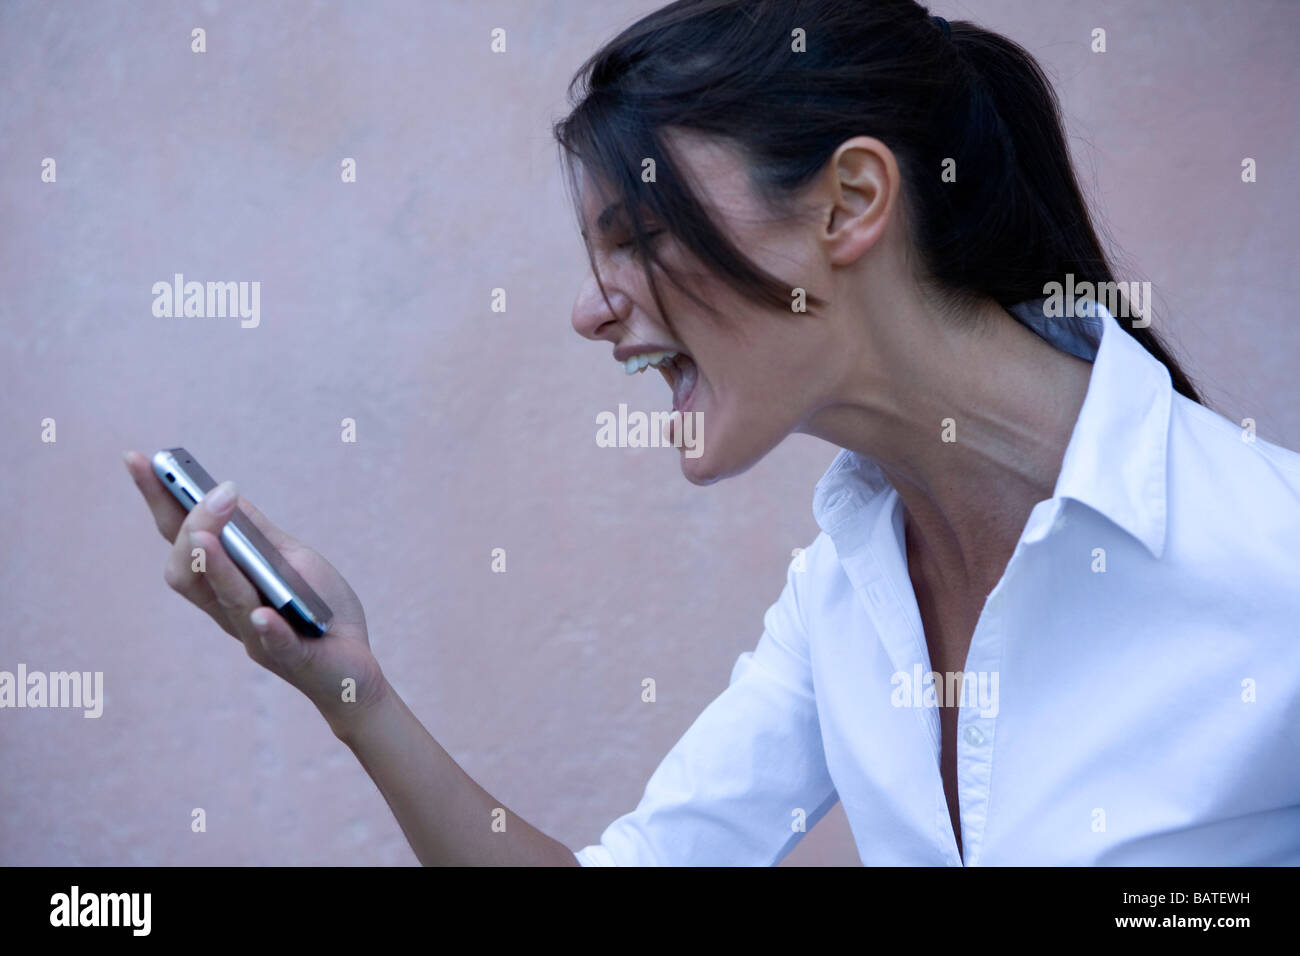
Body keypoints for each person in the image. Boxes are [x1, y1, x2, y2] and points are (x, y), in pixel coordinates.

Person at [125, 0, 1300, 865]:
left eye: (637, 233)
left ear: (848, 202)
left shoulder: (1271, 561)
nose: (593, 307)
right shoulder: (844, 590)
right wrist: (352, 691)